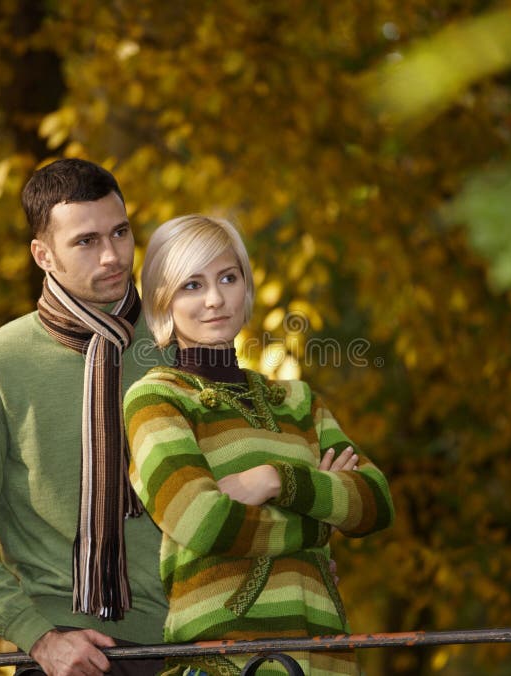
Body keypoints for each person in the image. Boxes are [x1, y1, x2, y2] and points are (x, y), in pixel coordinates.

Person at [0, 158, 169, 676]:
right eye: (86, 241)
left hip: (198, 639)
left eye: (120, 232)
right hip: (71, 654)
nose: (112, 256)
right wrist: (36, 637)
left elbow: (233, 482)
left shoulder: (181, 343)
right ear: (44, 255)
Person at [123, 215, 395, 676]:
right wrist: (318, 525)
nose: (215, 299)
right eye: (192, 285)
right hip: (225, 660)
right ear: (163, 301)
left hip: (324, 659)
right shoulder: (157, 397)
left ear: (246, 289)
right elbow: (202, 521)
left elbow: (374, 502)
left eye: (228, 278)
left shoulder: (298, 400)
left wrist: (274, 480)